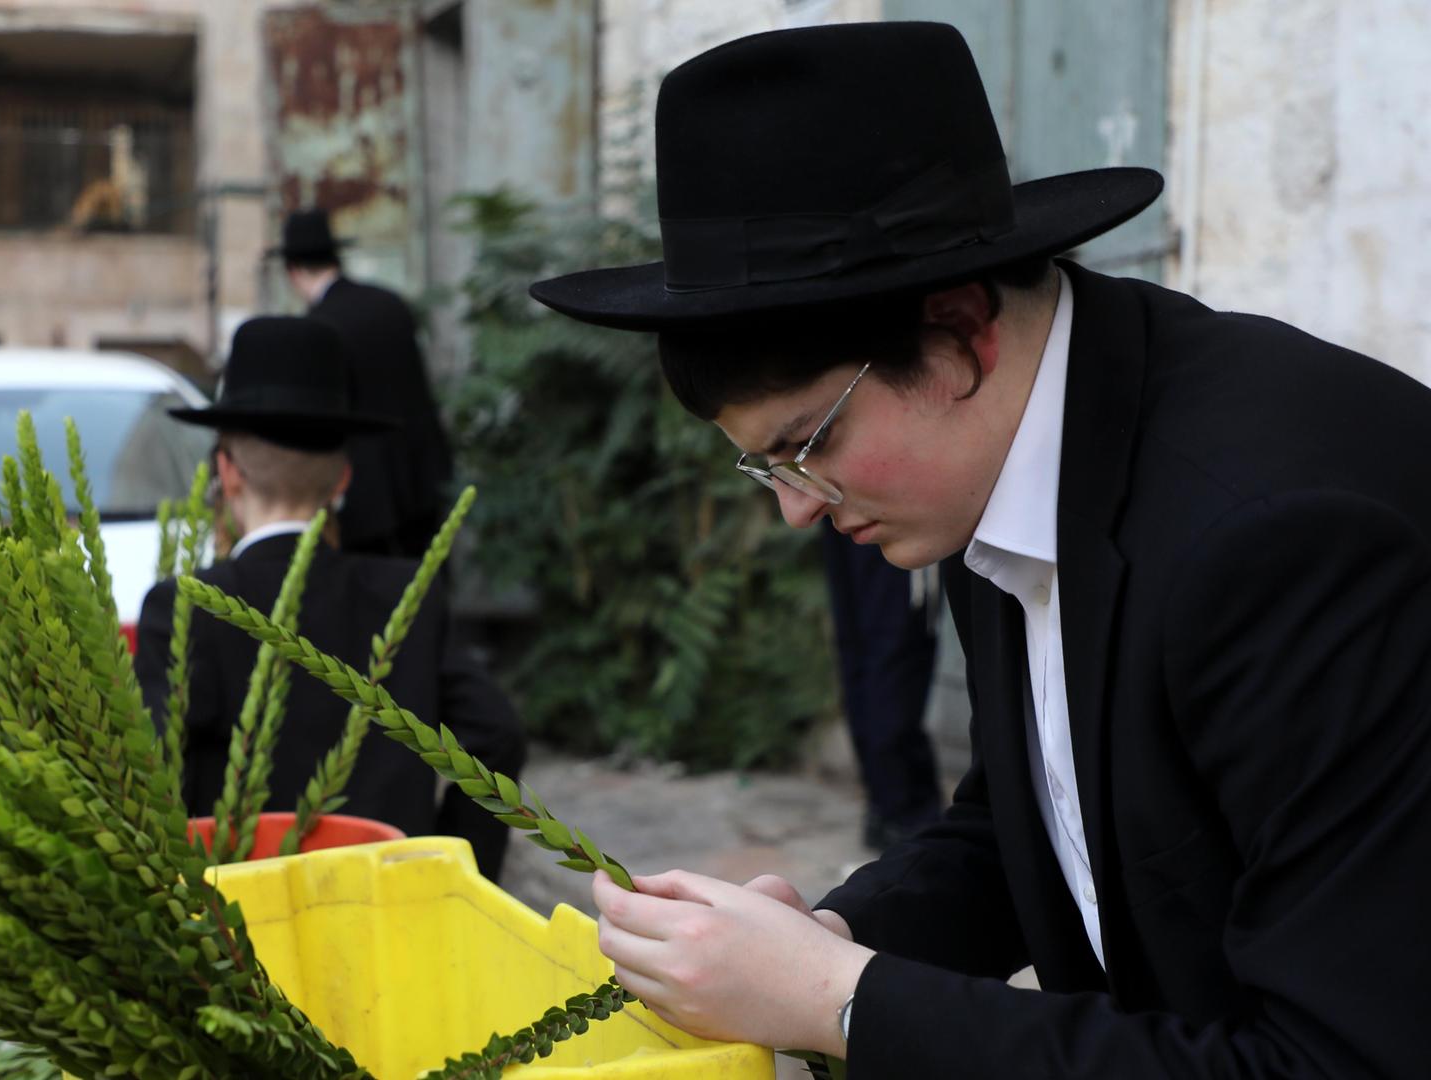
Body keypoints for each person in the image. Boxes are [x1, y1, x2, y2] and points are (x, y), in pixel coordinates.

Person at [527, 22, 1431, 1079]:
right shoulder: (1003, 455)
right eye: (760, 466)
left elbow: (1344, 1062)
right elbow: (1034, 817)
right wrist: (828, 940)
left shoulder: (1279, 542)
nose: (796, 513)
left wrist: (843, 1004)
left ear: (960, 333)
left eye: (807, 445)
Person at [135, 316, 524, 880]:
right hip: (387, 912)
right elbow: (498, 734)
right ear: (343, 480)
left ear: (227, 471)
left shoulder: (186, 605)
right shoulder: (405, 595)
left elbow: (153, 774)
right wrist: (450, 868)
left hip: (240, 928)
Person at [275, 209, 455, 558]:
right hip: (421, 482)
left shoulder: (317, 328)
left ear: (293, 272)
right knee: (426, 591)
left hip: (364, 502)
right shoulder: (391, 304)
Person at [819, 530, 942, 852]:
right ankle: (906, 810)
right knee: (895, 648)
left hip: (844, 500)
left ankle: (887, 805)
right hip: (893, 502)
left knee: (862, 647)